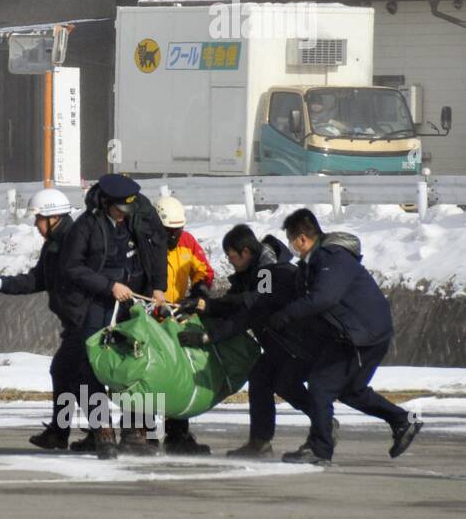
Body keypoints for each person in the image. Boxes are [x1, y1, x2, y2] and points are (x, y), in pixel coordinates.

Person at [267, 208, 422, 465]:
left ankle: (320, 449)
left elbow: (323, 298)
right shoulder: (313, 262)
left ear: (301, 238)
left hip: (362, 336)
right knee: (351, 391)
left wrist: (286, 316)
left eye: (291, 240)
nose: (291, 247)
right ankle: (403, 421)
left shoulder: (332, 257)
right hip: (354, 335)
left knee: (320, 386)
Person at [177, 225, 316, 459]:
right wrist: (203, 306)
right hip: (278, 343)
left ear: (245, 252)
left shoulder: (269, 271)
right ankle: (260, 442)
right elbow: (235, 304)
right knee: (262, 377)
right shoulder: (251, 273)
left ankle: (322, 423)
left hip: (297, 343)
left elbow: (252, 307)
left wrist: (209, 336)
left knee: (284, 382)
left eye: (232, 256)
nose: (230, 262)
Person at [59, 173, 169, 459]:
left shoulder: (140, 216)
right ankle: (102, 431)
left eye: (127, 211)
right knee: (88, 367)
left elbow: (157, 250)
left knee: (137, 364)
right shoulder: (85, 227)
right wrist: (109, 286)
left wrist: (158, 287)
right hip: (95, 305)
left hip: (133, 305)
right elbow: (72, 267)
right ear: (107, 203)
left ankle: (136, 432)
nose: (123, 217)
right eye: (119, 211)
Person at [0, 188, 78, 450]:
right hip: (74, 322)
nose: (36, 225)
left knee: (77, 375)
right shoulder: (54, 245)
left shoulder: (75, 242)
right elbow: (38, 279)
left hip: (86, 322)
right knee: (68, 374)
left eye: (38, 219)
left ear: (53, 217)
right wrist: (2, 283)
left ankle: (99, 433)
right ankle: (70, 431)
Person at [154, 195, 214, 455]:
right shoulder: (144, 242)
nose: (174, 236)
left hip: (176, 317)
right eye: (169, 232)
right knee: (146, 374)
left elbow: (204, 270)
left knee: (179, 377)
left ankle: (177, 434)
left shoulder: (187, 242)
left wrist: (199, 289)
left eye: (177, 231)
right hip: (147, 316)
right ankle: (139, 434)